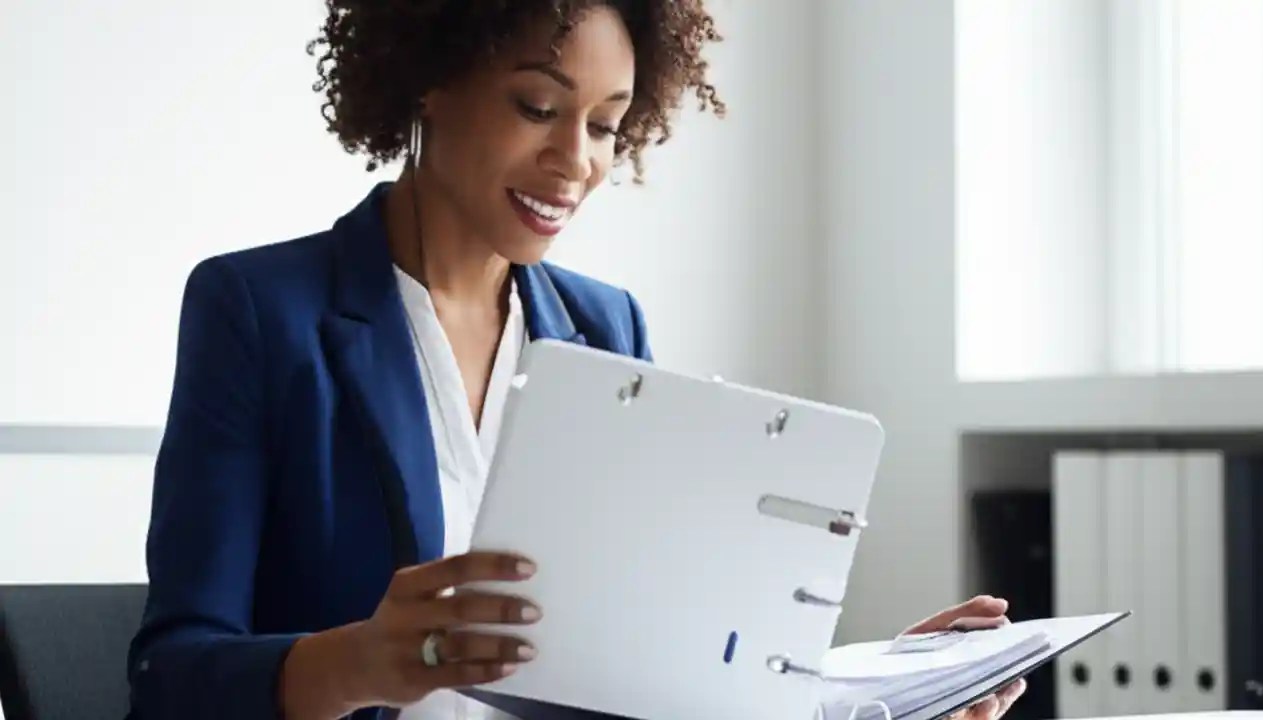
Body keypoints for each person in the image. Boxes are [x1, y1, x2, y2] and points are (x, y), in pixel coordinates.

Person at [124, 2, 1027, 719]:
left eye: (606, 124)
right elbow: (172, 678)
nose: (577, 163)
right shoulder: (259, 311)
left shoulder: (606, 329)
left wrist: (873, 698)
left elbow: (656, 664)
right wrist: (358, 661)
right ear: (431, 79)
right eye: (538, 108)